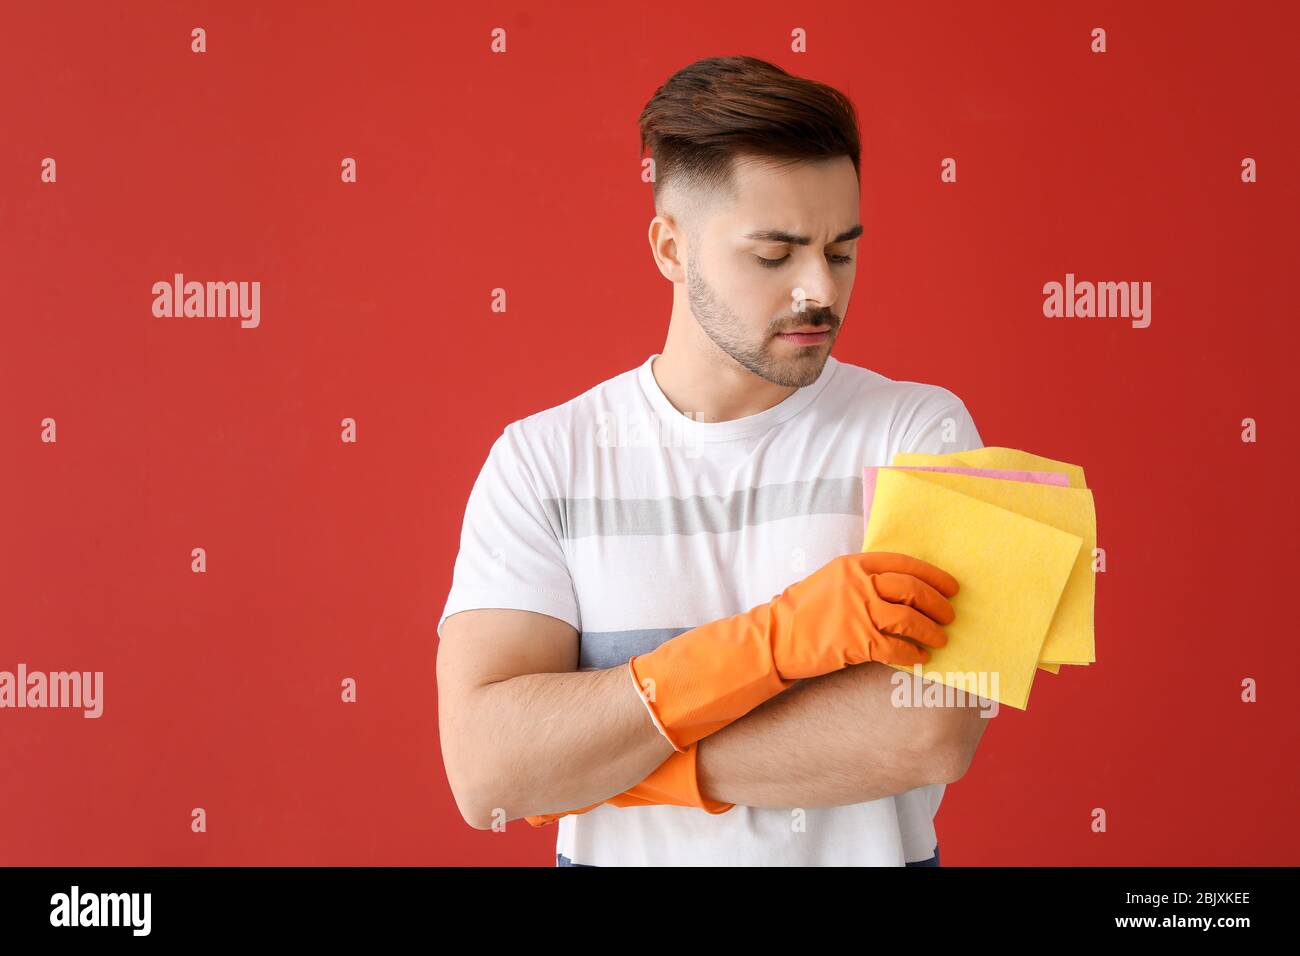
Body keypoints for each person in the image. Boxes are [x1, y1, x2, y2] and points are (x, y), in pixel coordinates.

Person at [436, 55, 989, 866]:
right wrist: (776, 642)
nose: (820, 293)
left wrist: (626, 768)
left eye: (840, 252)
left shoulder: (921, 434)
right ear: (671, 248)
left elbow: (927, 732)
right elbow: (489, 767)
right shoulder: (543, 461)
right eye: (775, 255)